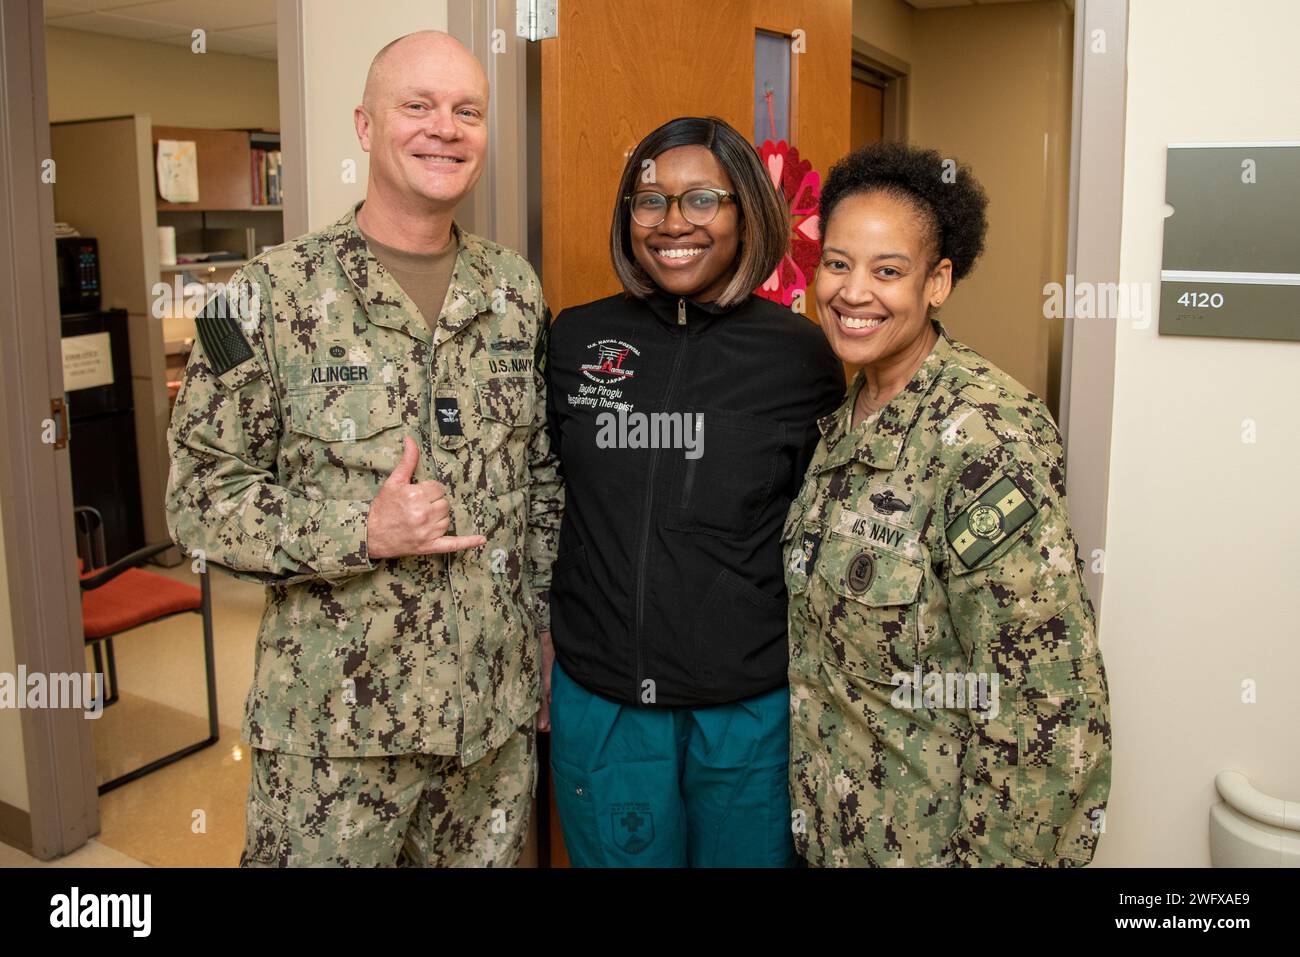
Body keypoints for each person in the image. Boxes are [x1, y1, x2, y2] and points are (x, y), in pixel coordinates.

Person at [165, 31, 562, 867]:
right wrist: (361, 530)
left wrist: (545, 634)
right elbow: (198, 502)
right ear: (364, 126)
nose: (444, 129)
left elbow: (541, 479)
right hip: (334, 737)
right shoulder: (261, 297)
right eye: (417, 106)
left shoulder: (514, 292)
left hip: (486, 731)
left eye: (467, 112)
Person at [783, 141, 1112, 867]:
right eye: (837, 263)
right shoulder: (848, 414)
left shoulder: (985, 437)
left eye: (888, 270)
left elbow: (1050, 710)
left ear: (938, 282)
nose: (852, 291)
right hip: (836, 834)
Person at [543, 116, 844, 867]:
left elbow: (822, 527)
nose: (673, 223)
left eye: (703, 199)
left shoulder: (802, 355)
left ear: (746, 210)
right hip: (606, 704)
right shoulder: (577, 339)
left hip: (744, 712)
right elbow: (543, 499)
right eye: (650, 201)